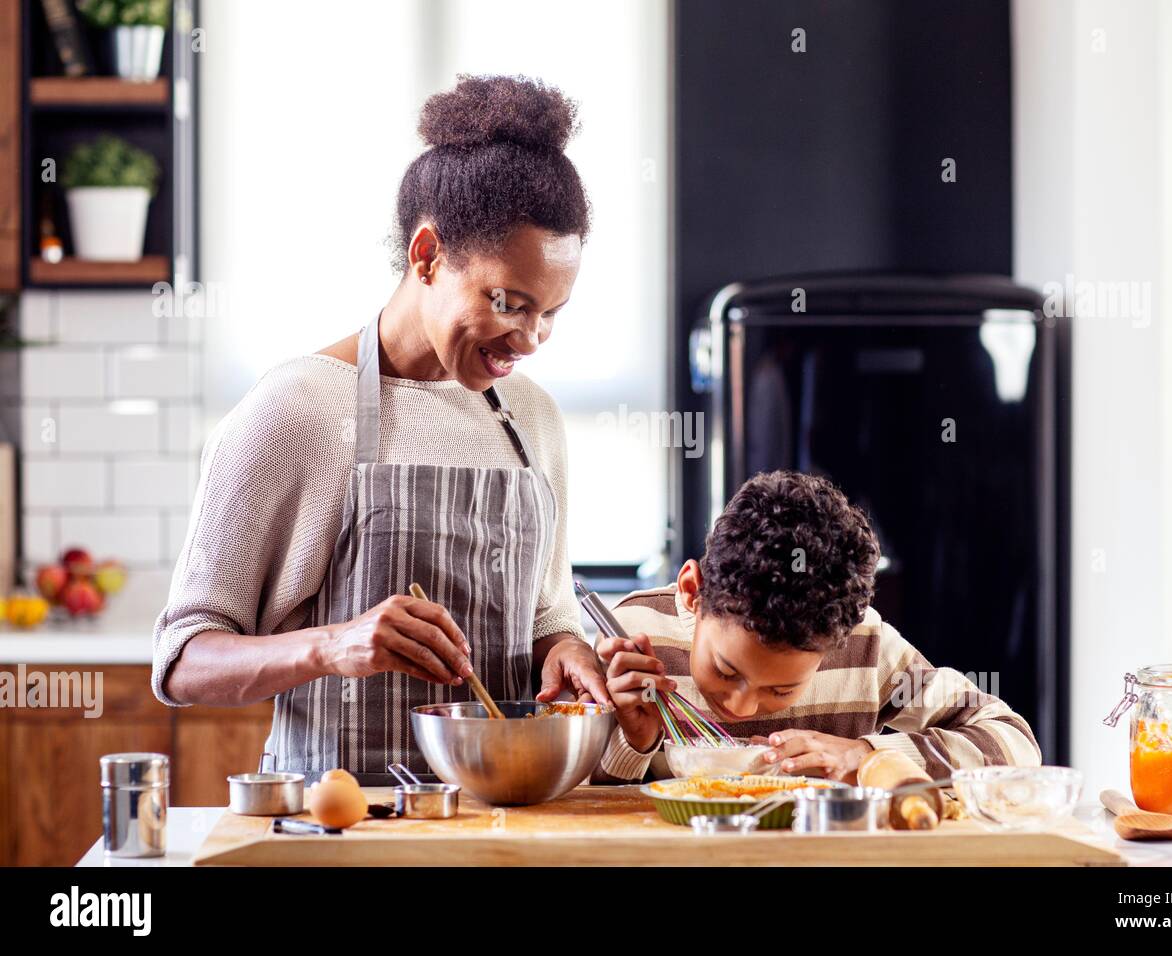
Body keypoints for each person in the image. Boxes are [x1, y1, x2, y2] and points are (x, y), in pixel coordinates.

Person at [152, 75, 609, 782]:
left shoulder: (533, 420)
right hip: (340, 832)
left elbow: (549, 618)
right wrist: (332, 646)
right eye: (510, 303)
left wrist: (567, 652)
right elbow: (183, 661)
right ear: (426, 255)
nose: (533, 339)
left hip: (501, 829)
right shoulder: (295, 410)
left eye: (552, 311)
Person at [593, 471, 1041, 784]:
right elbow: (584, 803)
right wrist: (637, 740)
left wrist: (865, 756)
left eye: (782, 690)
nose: (743, 708)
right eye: (727, 671)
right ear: (694, 590)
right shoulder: (637, 636)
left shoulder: (865, 648)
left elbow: (1013, 742)